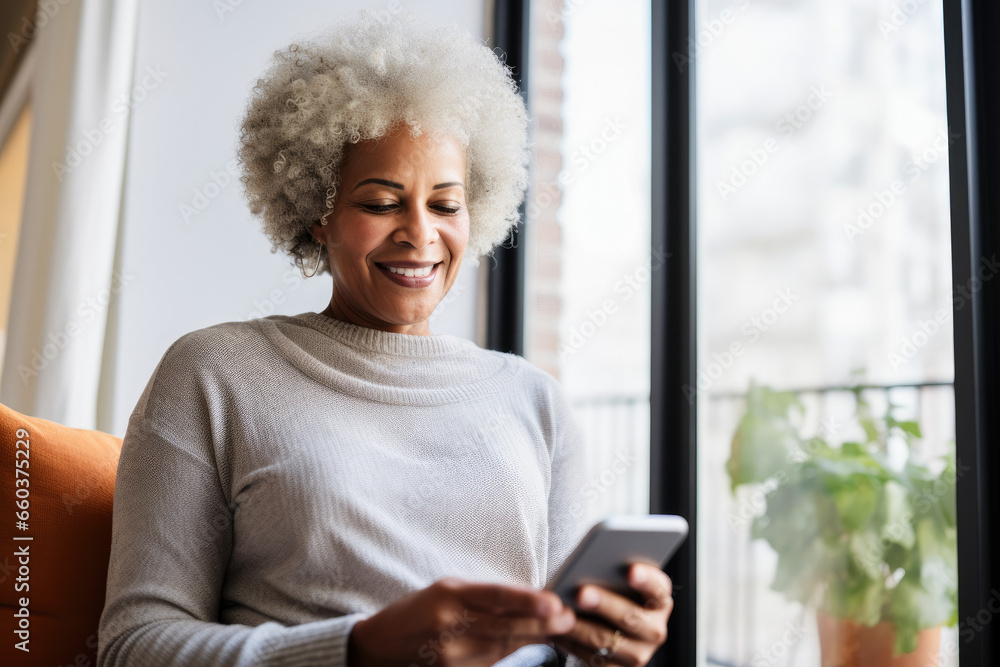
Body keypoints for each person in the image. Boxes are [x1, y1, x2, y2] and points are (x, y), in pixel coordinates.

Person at [97, 11, 673, 667]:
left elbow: (564, 643)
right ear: (318, 213)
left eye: (445, 204)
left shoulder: (537, 402)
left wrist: (607, 643)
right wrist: (357, 648)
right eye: (381, 202)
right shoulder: (213, 374)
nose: (420, 234)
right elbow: (134, 646)